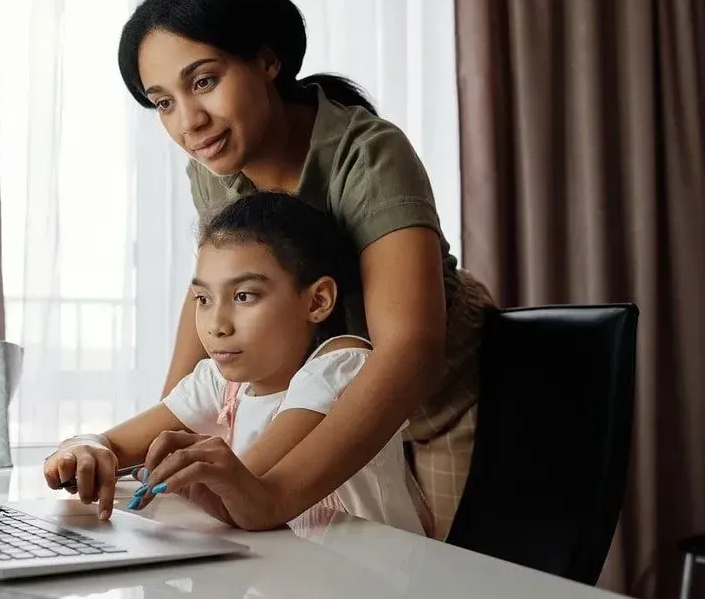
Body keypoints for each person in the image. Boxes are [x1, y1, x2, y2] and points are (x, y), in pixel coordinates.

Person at [108, 0, 498, 538]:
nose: (188, 121)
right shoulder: (213, 168)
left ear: (268, 61)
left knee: (444, 576)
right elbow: (210, 289)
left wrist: (275, 494)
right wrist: (155, 448)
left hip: (435, 404)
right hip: (318, 403)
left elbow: (408, 349)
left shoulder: (368, 154)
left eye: (204, 81)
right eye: (164, 101)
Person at [44, 191, 431, 536]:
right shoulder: (221, 382)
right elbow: (113, 442)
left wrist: (169, 471)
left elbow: (246, 488)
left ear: (316, 301)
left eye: (244, 296)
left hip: (373, 578)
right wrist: (83, 449)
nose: (216, 325)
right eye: (203, 299)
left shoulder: (342, 366)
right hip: (286, 573)